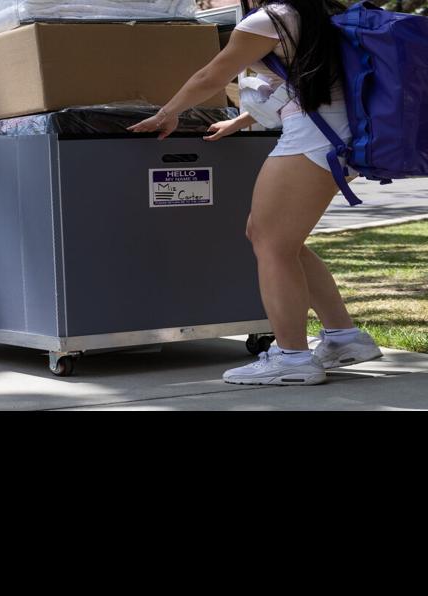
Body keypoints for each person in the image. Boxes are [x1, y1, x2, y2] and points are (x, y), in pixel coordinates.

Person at [128, 0, 382, 386]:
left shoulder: (270, 19)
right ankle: (343, 338)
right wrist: (242, 121)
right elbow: (316, 83)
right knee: (280, 240)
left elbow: (212, 75)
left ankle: (292, 359)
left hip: (311, 140)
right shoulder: (323, 13)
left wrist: (168, 113)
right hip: (335, 136)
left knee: (271, 244)